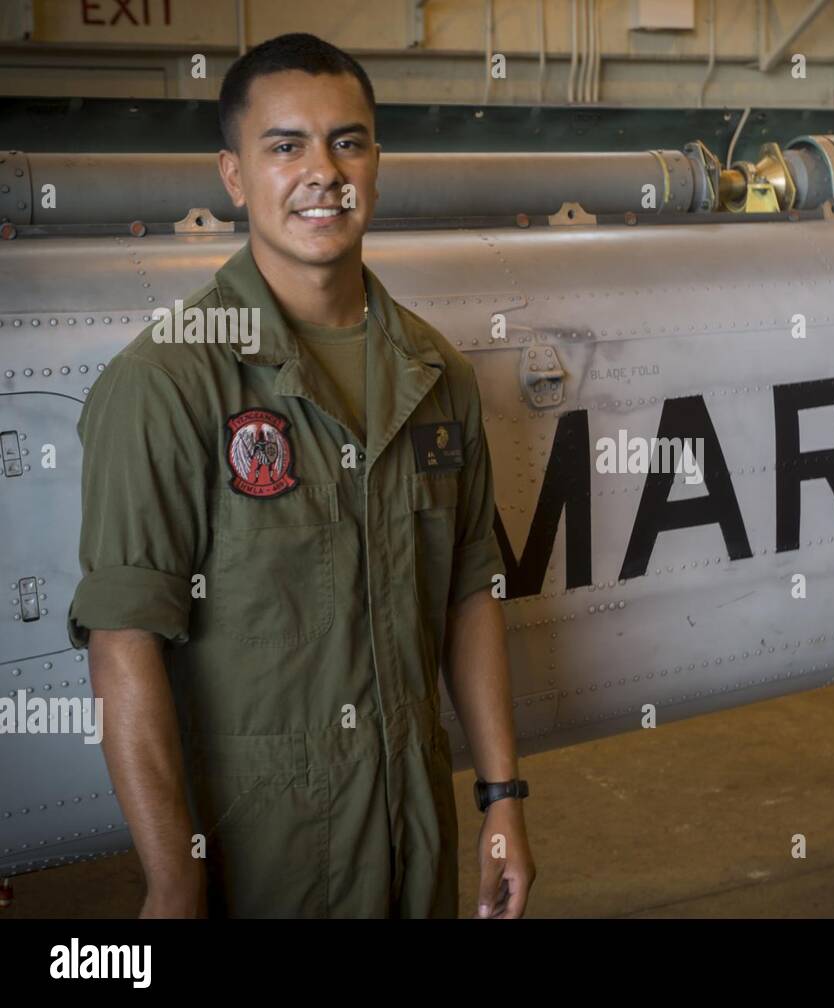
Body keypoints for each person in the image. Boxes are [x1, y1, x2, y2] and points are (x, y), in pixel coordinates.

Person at [66, 32, 535, 918]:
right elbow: (123, 644)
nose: (323, 170)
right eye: (285, 146)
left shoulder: (436, 374)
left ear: (376, 163)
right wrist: (173, 879)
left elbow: (473, 591)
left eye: (347, 141)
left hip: (414, 847)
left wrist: (502, 800)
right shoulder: (168, 382)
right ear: (234, 176)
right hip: (262, 864)